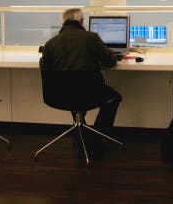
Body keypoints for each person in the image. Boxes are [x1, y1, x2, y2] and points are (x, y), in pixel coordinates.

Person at [40, 8, 122, 153]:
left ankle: (81, 136)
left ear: (63, 22)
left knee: (71, 90)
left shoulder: (50, 44)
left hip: (58, 95)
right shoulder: (91, 38)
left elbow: (44, 68)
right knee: (114, 98)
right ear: (82, 21)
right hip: (89, 93)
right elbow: (110, 61)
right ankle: (96, 138)